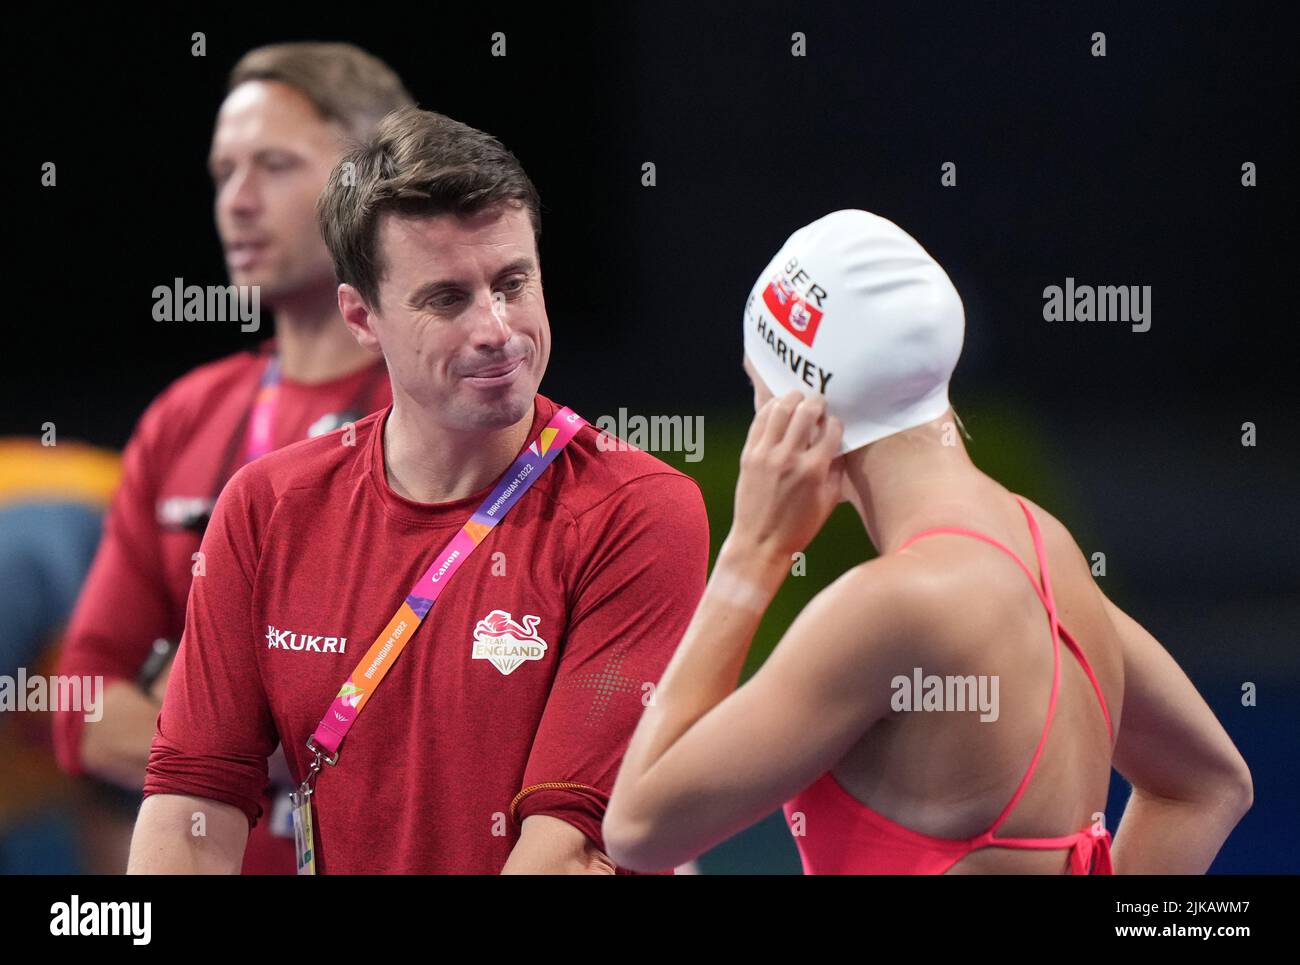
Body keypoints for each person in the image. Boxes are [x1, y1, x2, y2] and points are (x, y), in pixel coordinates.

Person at [126, 108, 710, 874]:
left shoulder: (635, 510)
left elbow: (567, 849)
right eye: (447, 298)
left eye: (513, 282)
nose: (497, 328)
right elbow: (191, 804)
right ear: (361, 316)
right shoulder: (267, 509)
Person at [603, 209, 1253, 874]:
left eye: (755, 382)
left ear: (794, 405)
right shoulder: (1044, 545)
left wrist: (752, 551)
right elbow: (1204, 785)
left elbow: (637, 830)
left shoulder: (898, 606)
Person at [53, 43, 410, 874]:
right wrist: (270, 732)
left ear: (374, 181)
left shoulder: (451, 409)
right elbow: (79, 707)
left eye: (275, 166)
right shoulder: (186, 417)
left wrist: (196, 710)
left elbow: (442, 720)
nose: (237, 203)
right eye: (223, 172)